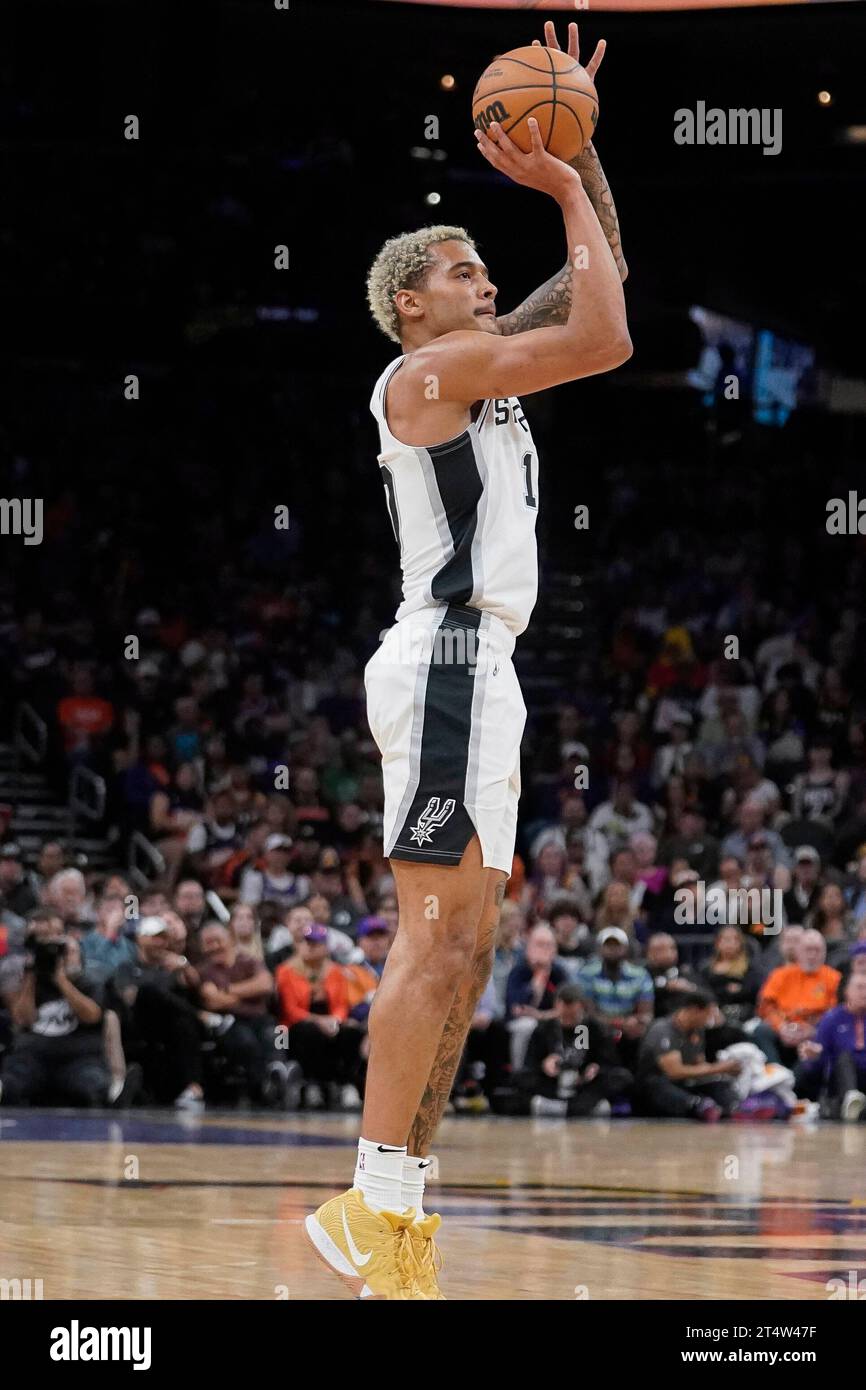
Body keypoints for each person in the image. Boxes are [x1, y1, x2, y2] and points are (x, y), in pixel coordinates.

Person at [305, 16, 632, 1300]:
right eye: (461, 266)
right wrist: (554, 181)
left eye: (488, 264)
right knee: (430, 935)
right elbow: (601, 335)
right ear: (409, 305)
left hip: (480, 667)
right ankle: (368, 1201)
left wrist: (582, 155)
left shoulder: (483, 368)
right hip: (443, 655)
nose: (486, 278)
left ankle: (404, 1214)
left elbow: (603, 277)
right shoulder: (427, 379)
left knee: (468, 948)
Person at [0, 913, 108, 1107]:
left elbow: (92, 1016)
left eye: (67, 952)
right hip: (32, 1058)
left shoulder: (90, 982)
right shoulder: (32, 982)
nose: (61, 958)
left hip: (78, 1060)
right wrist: (31, 974)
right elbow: (23, 1019)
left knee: (91, 1089)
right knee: (10, 1086)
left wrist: (62, 981)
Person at [274, 924, 361, 1110]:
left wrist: (335, 1021)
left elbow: (341, 1005)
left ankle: (347, 1084)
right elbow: (289, 1010)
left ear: (326, 947)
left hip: (329, 1021)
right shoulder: (286, 971)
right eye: (307, 943)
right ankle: (312, 1083)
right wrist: (319, 1021)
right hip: (297, 1025)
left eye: (316, 943)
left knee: (351, 1031)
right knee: (310, 1032)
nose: (311, 947)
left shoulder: (336, 971)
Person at [518, 983, 631, 1118]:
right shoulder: (544, 1028)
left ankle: (572, 1107)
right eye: (563, 1015)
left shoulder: (595, 1028)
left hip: (583, 1084)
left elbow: (611, 1063)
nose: (566, 1019)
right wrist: (544, 1064)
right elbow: (529, 1063)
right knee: (520, 1077)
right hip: (553, 1083)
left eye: (571, 1015)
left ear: (581, 1007)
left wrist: (596, 1068)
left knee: (621, 1077)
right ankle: (567, 1106)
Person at [636, 989, 741, 1122]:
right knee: (658, 1085)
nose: (711, 1019)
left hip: (684, 1084)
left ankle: (734, 1108)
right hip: (658, 1085)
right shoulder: (663, 1029)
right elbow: (674, 1072)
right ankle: (697, 1106)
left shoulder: (697, 1031)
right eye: (709, 1013)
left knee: (719, 1083)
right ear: (694, 1010)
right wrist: (719, 1068)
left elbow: (699, 1065)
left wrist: (724, 1072)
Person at [758, 928, 841, 1067]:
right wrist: (781, 1027)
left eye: (817, 950)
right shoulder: (780, 974)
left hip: (815, 1031)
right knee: (761, 1030)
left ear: (824, 953)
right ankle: (776, 1072)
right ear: (798, 952)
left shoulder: (834, 978)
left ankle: (797, 1079)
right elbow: (766, 1007)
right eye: (808, 950)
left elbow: (835, 1013)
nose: (812, 955)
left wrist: (813, 1029)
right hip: (784, 1027)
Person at [576, 927, 654, 1067]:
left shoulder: (640, 975)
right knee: (583, 1028)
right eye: (608, 945)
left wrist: (635, 1021)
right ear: (600, 948)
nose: (612, 950)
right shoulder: (586, 974)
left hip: (629, 1028)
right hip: (597, 1027)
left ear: (625, 948)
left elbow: (647, 1013)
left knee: (643, 1031)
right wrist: (618, 1023)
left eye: (616, 946)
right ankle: (579, 1068)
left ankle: (637, 1080)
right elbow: (588, 1012)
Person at [796, 973, 866, 1120]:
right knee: (845, 1058)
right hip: (841, 1084)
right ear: (846, 991)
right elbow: (815, 1066)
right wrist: (815, 1056)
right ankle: (851, 1097)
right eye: (860, 987)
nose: (864, 992)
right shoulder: (832, 1018)